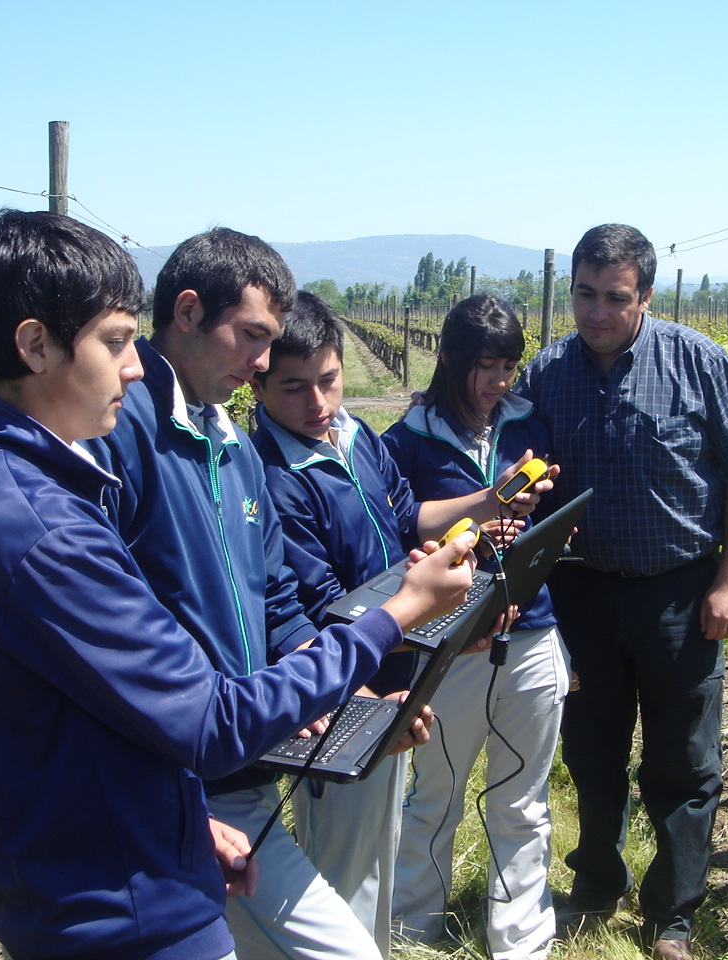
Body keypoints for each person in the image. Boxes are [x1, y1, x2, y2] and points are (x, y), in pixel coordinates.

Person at [0, 213, 476, 960]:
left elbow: (122, 682)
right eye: (118, 341)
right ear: (36, 345)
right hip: (121, 897)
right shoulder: (47, 516)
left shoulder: (191, 456)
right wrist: (398, 613)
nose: (135, 367)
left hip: (163, 834)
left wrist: (185, 816)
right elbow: (202, 717)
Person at [249, 291, 550, 956]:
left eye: (329, 380)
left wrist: (488, 502)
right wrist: (421, 605)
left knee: (379, 848)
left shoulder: (352, 437)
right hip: (343, 691)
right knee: (341, 866)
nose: (318, 402)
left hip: (391, 676)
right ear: (258, 381)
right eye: (294, 388)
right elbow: (315, 600)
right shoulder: (272, 476)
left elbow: (407, 514)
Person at [514, 223, 728, 960]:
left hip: (679, 594)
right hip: (582, 597)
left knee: (683, 763)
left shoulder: (698, 362)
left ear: (646, 296)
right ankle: (596, 885)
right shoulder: (547, 372)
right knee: (592, 754)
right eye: (584, 295)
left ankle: (672, 915)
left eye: (615, 298)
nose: (596, 312)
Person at [381, 293, 570, 960]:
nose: (497, 382)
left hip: (532, 631)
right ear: (454, 362)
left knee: (522, 801)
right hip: (451, 644)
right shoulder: (406, 440)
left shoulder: (529, 426)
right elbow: (401, 523)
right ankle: (412, 930)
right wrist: (485, 511)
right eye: (485, 366)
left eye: (508, 367)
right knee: (435, 797)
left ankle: (521, 942)